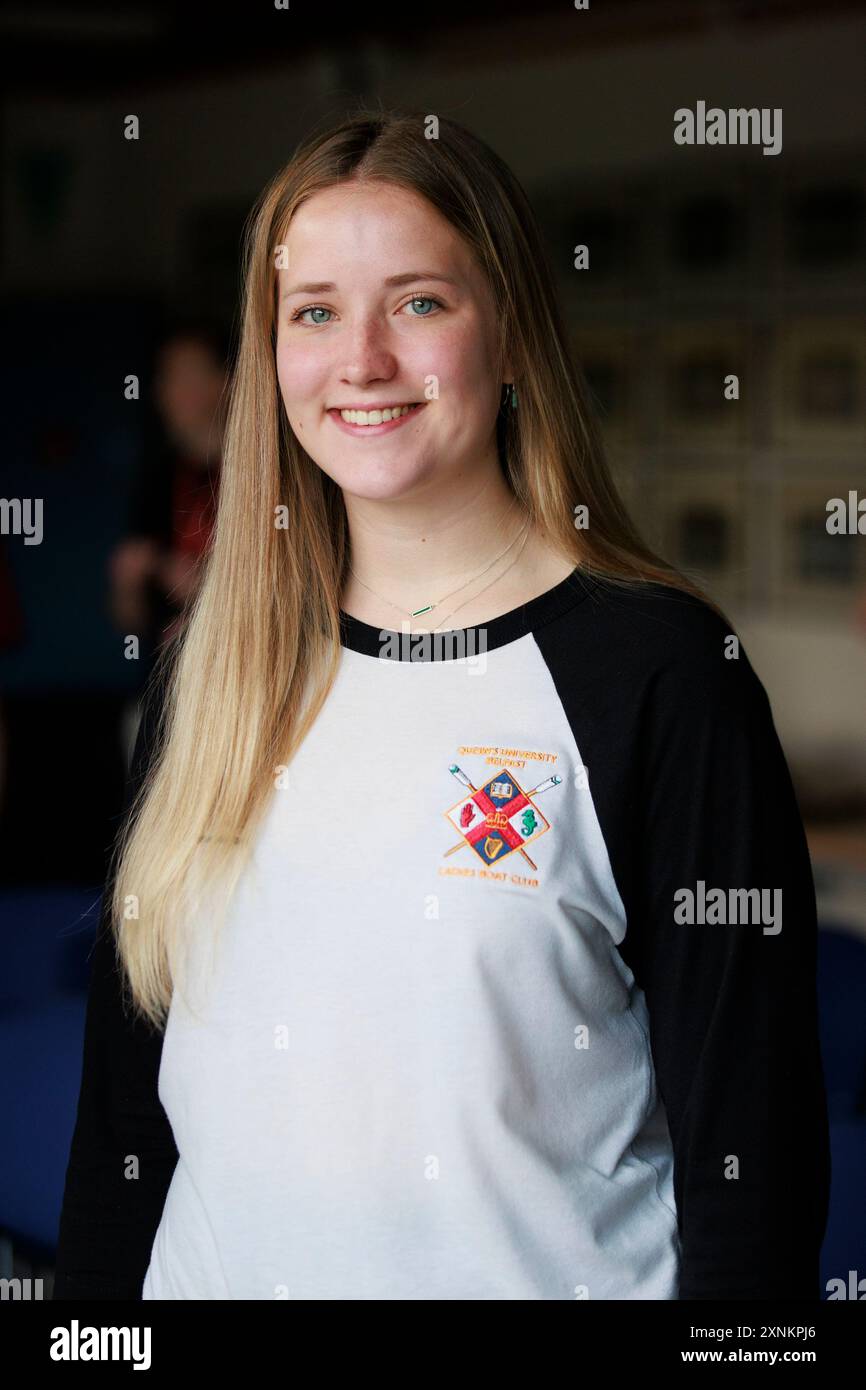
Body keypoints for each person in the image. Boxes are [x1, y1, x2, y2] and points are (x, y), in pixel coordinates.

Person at [53, 108, 830, 1301]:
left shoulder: (659, 672)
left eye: (417, 301)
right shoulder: (202, 675)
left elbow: (753, 1169)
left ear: (510, 331)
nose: (360, 360)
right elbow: (122, 1126)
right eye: (312, 312)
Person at [108, 322, 228, 648]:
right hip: (175, 671)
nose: (171, 390)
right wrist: (126, 584)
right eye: (167, 376)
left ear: (224, 382)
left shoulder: (265, 472)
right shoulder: (156, 478)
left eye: (188, 375)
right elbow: (128, 620)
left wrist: (208, 588)